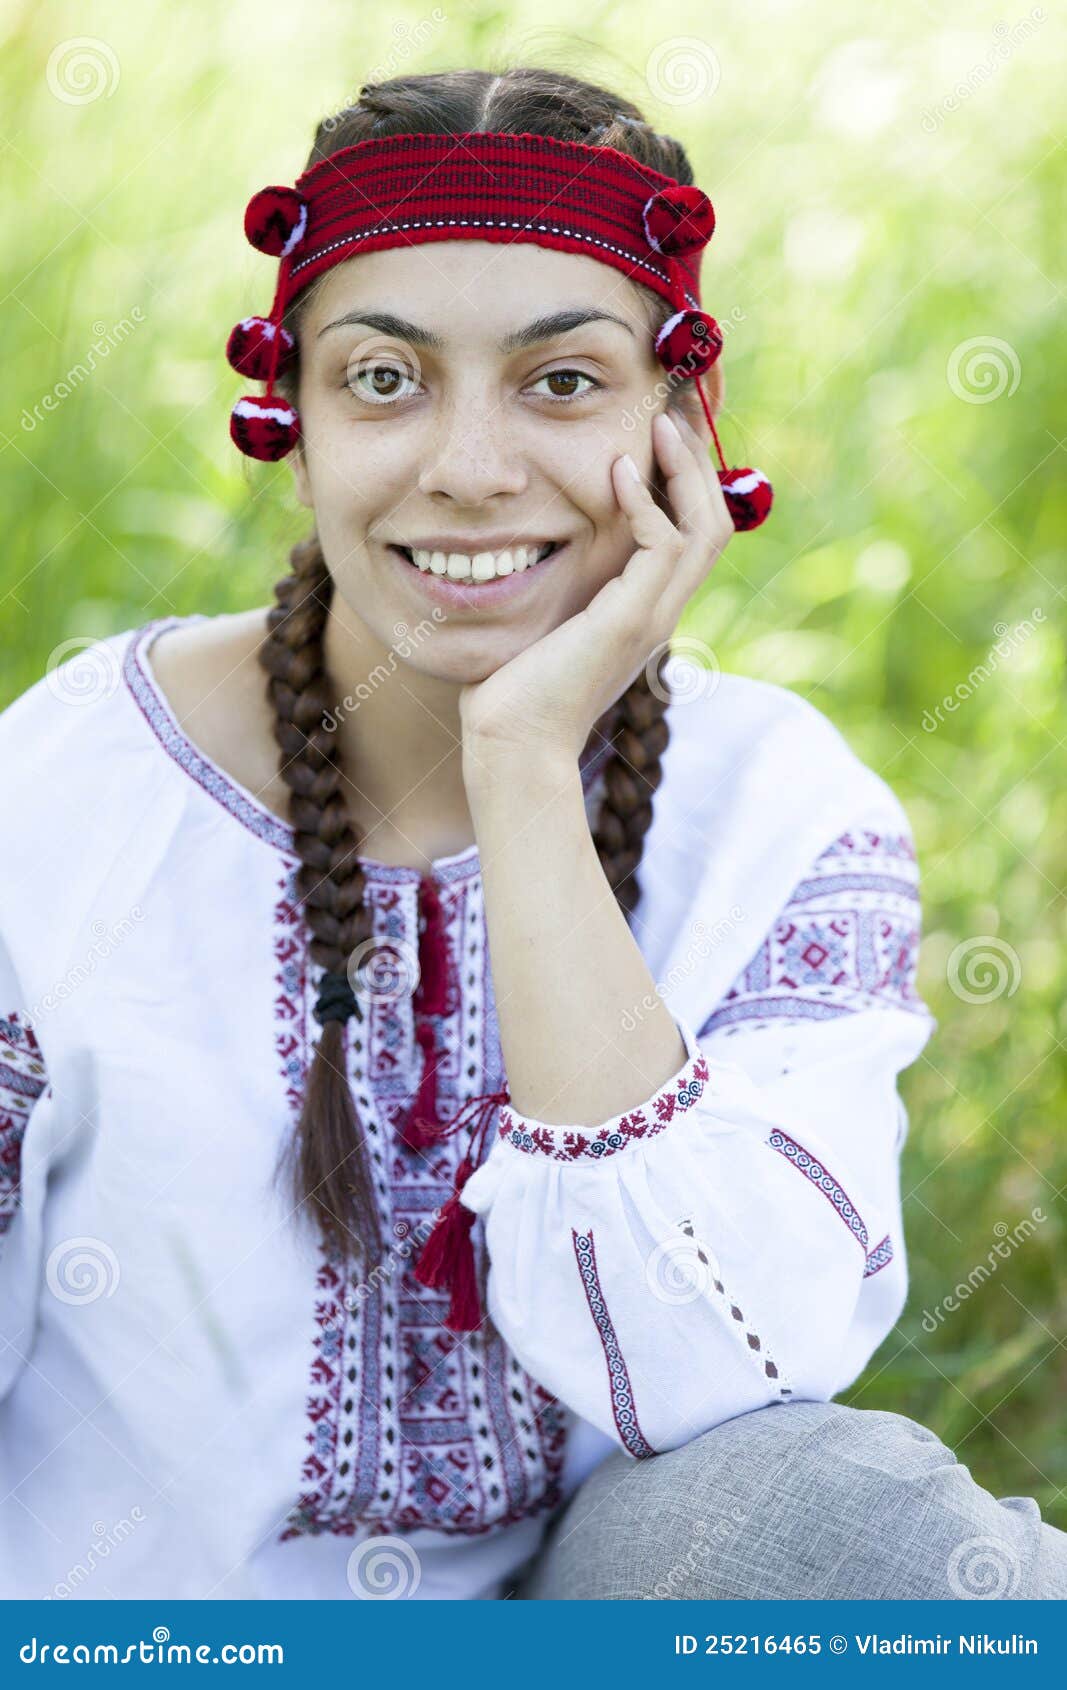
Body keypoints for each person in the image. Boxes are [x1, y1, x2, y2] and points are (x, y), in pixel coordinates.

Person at [1, 65, 1064, 1603]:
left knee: (855, 1528)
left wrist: (518, 762)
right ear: (286, 414)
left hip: (586, 1630)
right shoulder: (67, 792)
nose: (472, 467)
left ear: (683, 423)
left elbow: (727, 1391)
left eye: (562, 382)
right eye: (383, 378)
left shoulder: (780, 808)